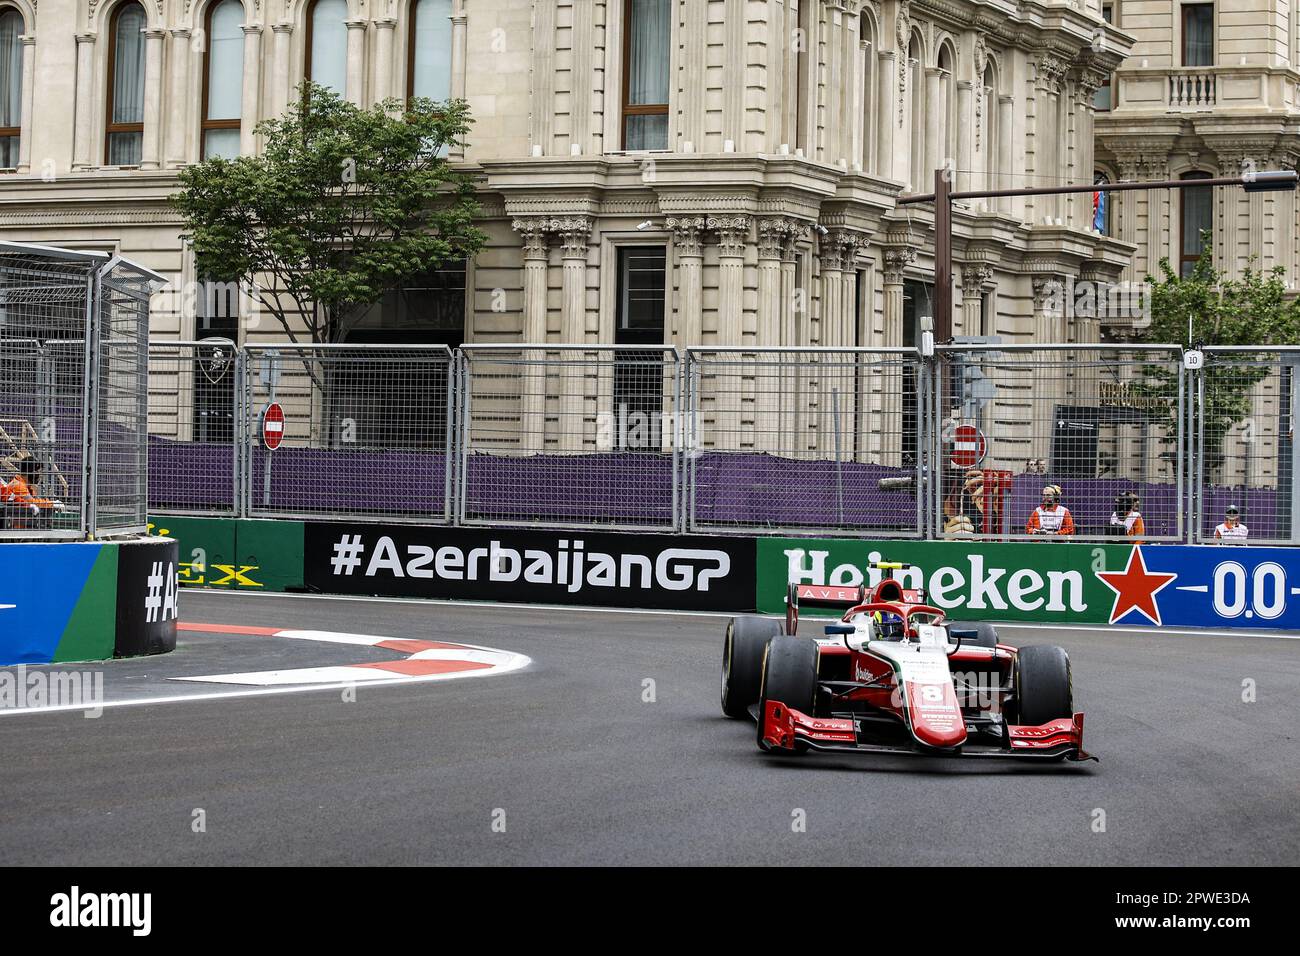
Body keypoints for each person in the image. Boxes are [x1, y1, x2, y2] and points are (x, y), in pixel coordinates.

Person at [1, 452, 63, 526]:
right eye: (37, 472)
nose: (39, 475)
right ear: (30, 472)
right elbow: (32, 502)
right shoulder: (18, 486)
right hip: (16, 528)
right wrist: (52, 504)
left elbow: (36, 501)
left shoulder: (27, 486)